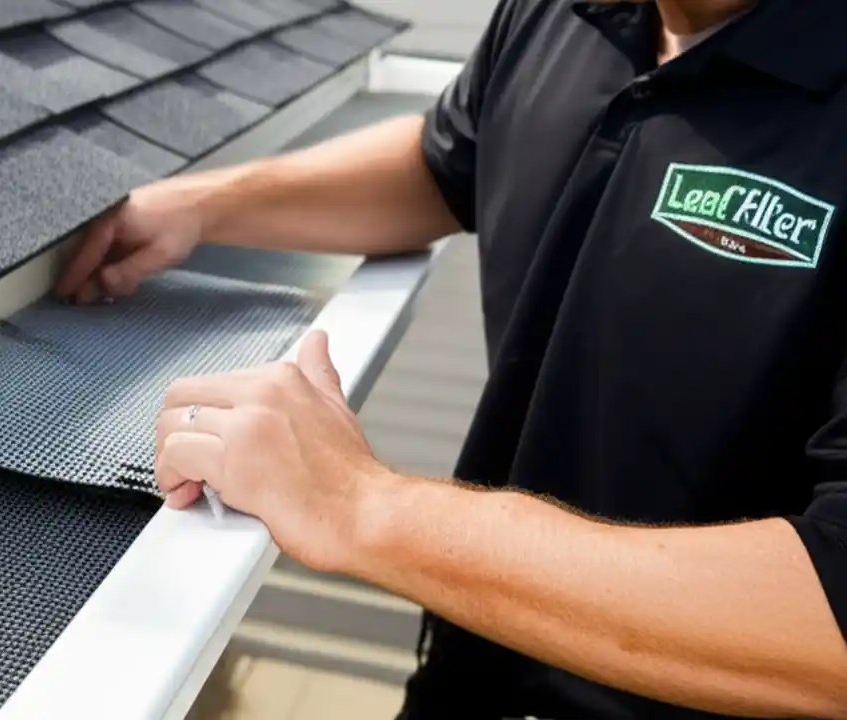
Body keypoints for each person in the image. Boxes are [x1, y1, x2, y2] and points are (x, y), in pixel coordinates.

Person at [56, 0, 847, 716]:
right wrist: (207, 206)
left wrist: (361, 505)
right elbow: (446, 166)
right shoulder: (555, 15)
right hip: (475, 661)